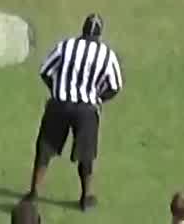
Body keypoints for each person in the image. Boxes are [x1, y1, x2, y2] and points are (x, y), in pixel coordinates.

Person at [28, 14, 125, 211]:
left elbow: (45, 71)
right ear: (99, 35)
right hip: (86, 110)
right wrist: (98, 98)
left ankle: (34, 192)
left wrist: (57, 90)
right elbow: (115, 86)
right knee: (86, 154)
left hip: (59, 104)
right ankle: (86, 197)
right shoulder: (106, 54)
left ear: (83, 30)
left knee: (45, 148)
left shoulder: (66, 46)